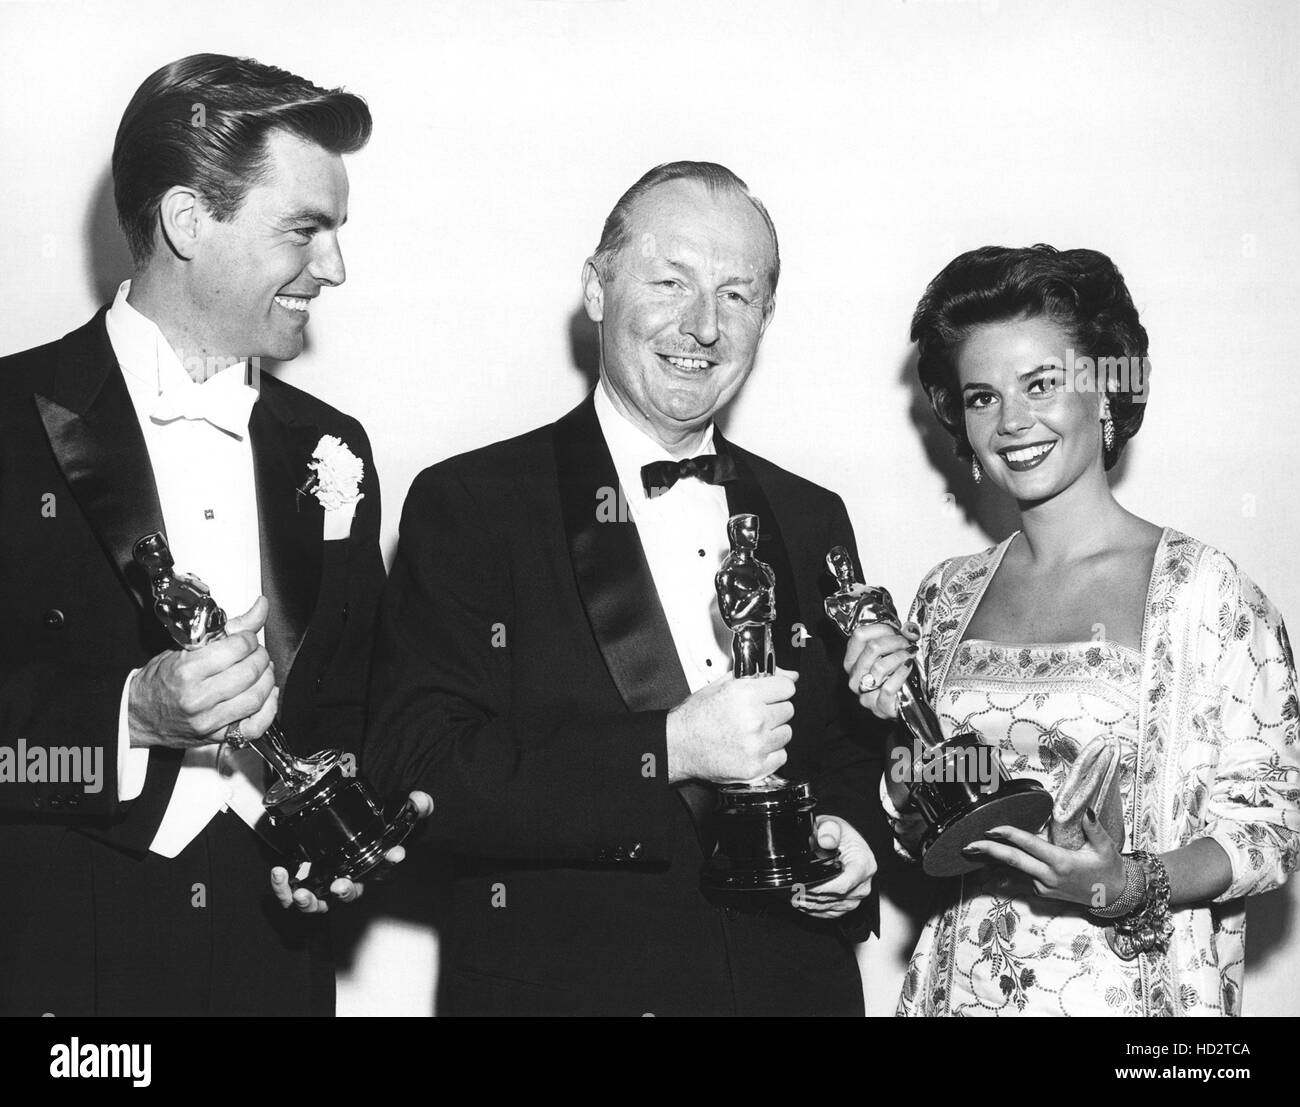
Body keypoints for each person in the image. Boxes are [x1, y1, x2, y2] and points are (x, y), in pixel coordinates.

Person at [366, 161, 888, 1016]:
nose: (702, 325)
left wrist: (852, 834)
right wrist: (672, 746)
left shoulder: (812, 514)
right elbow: (416, 772)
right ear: (598, 290)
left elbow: (844, 752)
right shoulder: (471, 504)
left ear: (767, 316)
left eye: (736, 294)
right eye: (669, 281)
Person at [0, 53, 427, 1017]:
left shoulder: (334, 448)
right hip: (59, 968)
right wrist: (128, 719)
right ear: (188, 221)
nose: (335, 267)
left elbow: (351, 711)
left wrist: (337, 842)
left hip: (276, 964)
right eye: (304, 231)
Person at [845, 244, 1300, 1016]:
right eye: (982, 396)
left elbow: (1272, 827)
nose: (1012, 421)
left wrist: (1124, 882)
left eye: (1042, 384)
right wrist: (904, 763)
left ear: (1107, 390)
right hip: (956, 995)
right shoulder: (945, 595)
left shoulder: (1207, 593)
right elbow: (922, 827)